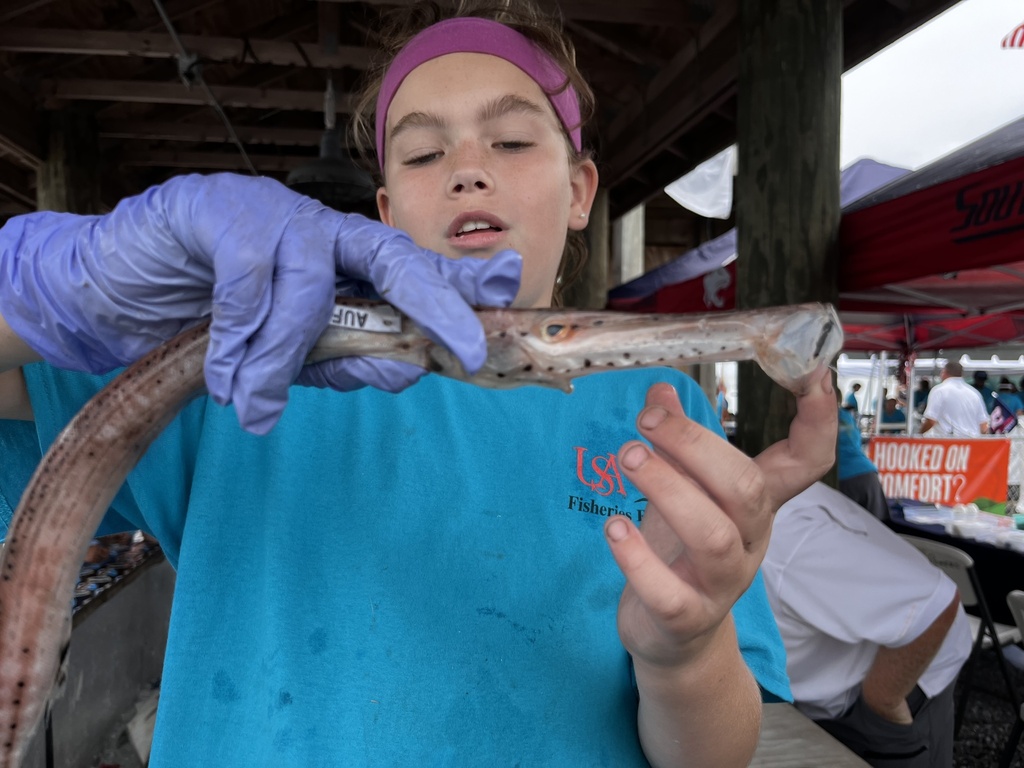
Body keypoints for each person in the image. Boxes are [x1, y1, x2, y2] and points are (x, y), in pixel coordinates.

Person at [0, 3, 837, 766]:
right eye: (425, 152)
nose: (468, 170)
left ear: (580, 190)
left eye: (511, 141)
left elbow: (715, 755)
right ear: (386, 213)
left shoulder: (665, 412)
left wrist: (684, 653)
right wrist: (59, 283)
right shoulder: (240, 373)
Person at [761, 482, 972, 768]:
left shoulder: (785, 539)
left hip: (892, 682)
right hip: (821, 691)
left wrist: (882, 708)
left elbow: (933, 605)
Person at [837, 405, 890, 520]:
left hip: (843, 478)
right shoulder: (844, 415)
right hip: (867, 474)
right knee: (877, 531)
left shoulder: (812, 417)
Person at [921, 361, 989, 437]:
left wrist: (919, 434)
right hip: (971, 443)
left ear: (944, 372)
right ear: (962, 375)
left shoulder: (939, 391)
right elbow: (984, 426)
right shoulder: (974, 393)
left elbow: (931, 420)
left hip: (947, 443)